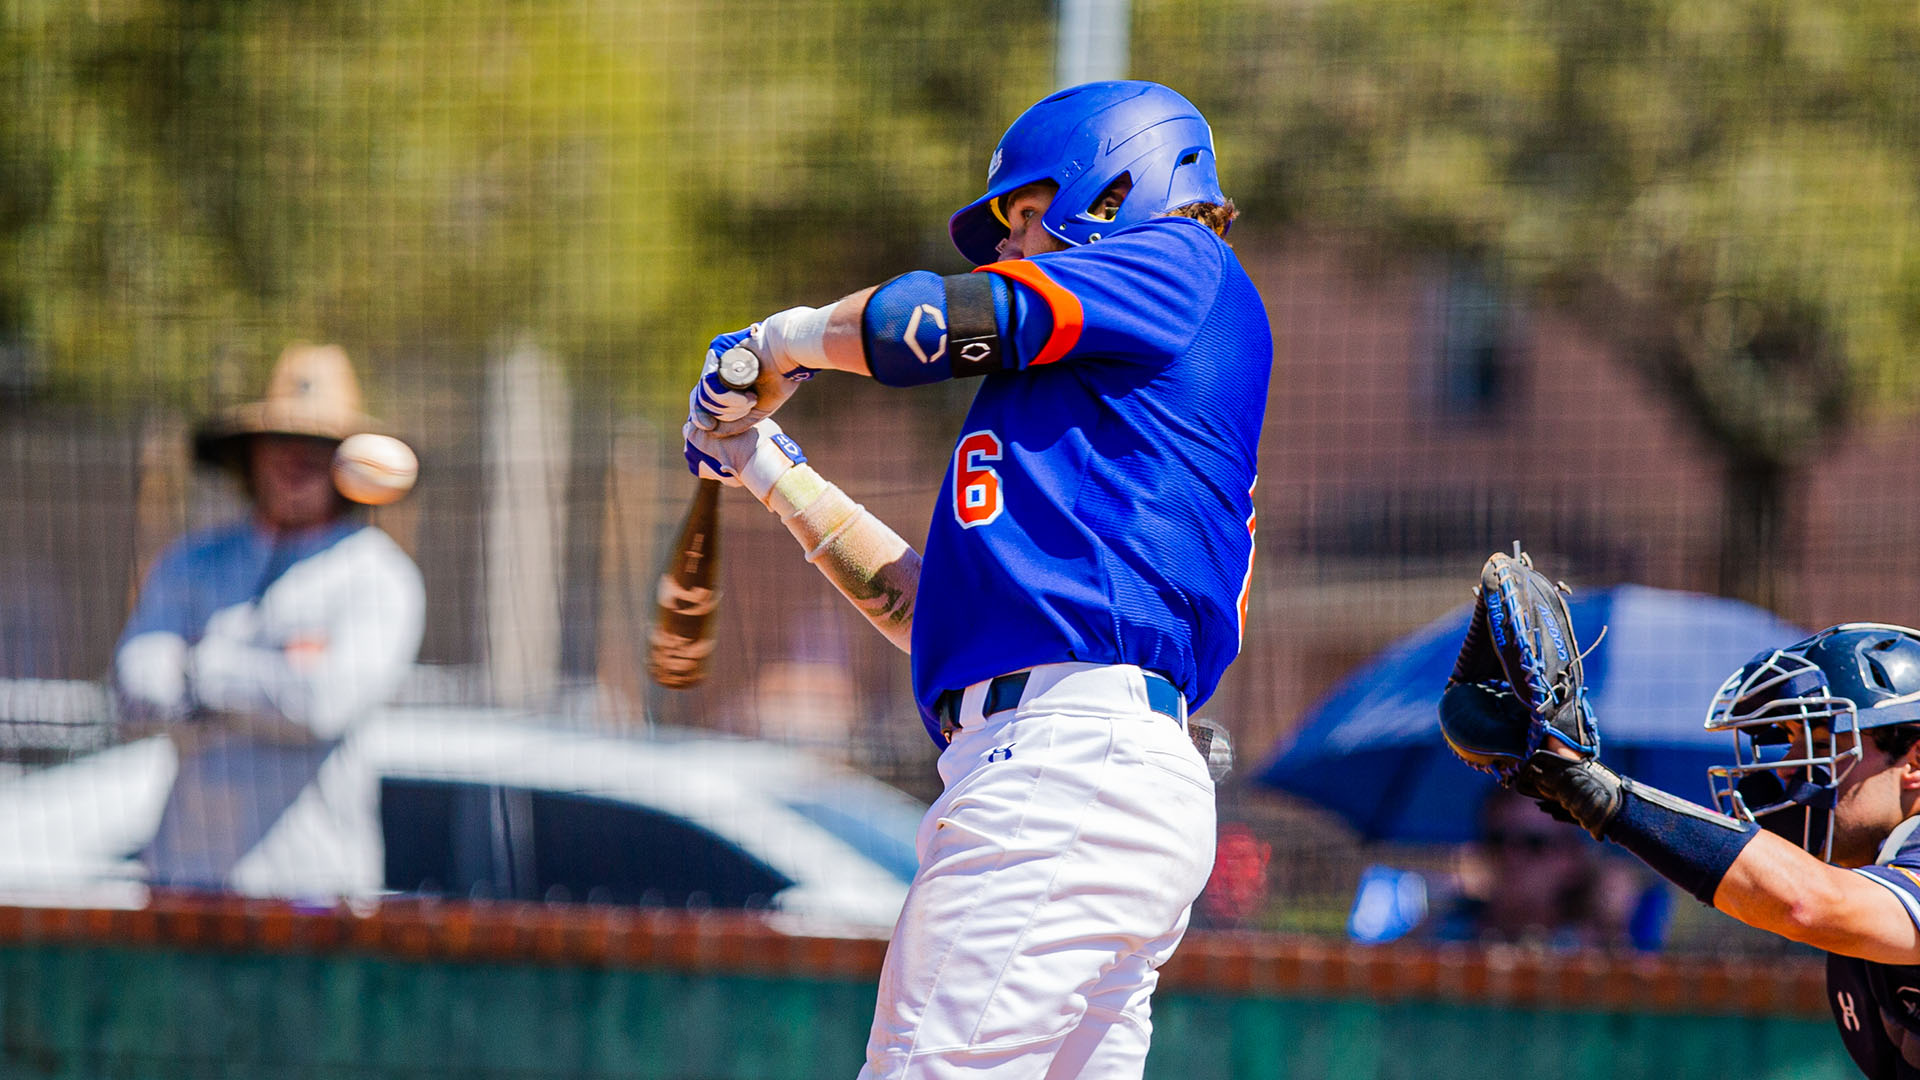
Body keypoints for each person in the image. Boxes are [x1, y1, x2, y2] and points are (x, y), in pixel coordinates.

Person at [682, 81, 1268, 1078]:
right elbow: (931, 610)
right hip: (1086, 767)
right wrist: (765, 465)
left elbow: (921, 321)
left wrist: (776, 344)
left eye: (1023, 214)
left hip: (1068, 766)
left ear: (1119, 183)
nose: (1004, 246)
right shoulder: (1087, 403)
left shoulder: (1179, 263)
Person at [1491, 622, 1920, 1078]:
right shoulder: (1868, 888)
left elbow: (1804, 902)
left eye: (1818, 742)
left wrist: (1610, 802)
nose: (1789, 771)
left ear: (1914, 761)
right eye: (1792, 740)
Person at [115, 343, 425, 892]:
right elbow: (136, 686)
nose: (297, 456)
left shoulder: (379, 576)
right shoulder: (192, 560)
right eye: (282, 438)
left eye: (319, 442)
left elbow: (321, 702)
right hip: (182, 887)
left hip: (312, 898)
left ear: (346, 459)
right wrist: (274, 670)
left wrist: (195, 670)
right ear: (251, 452)